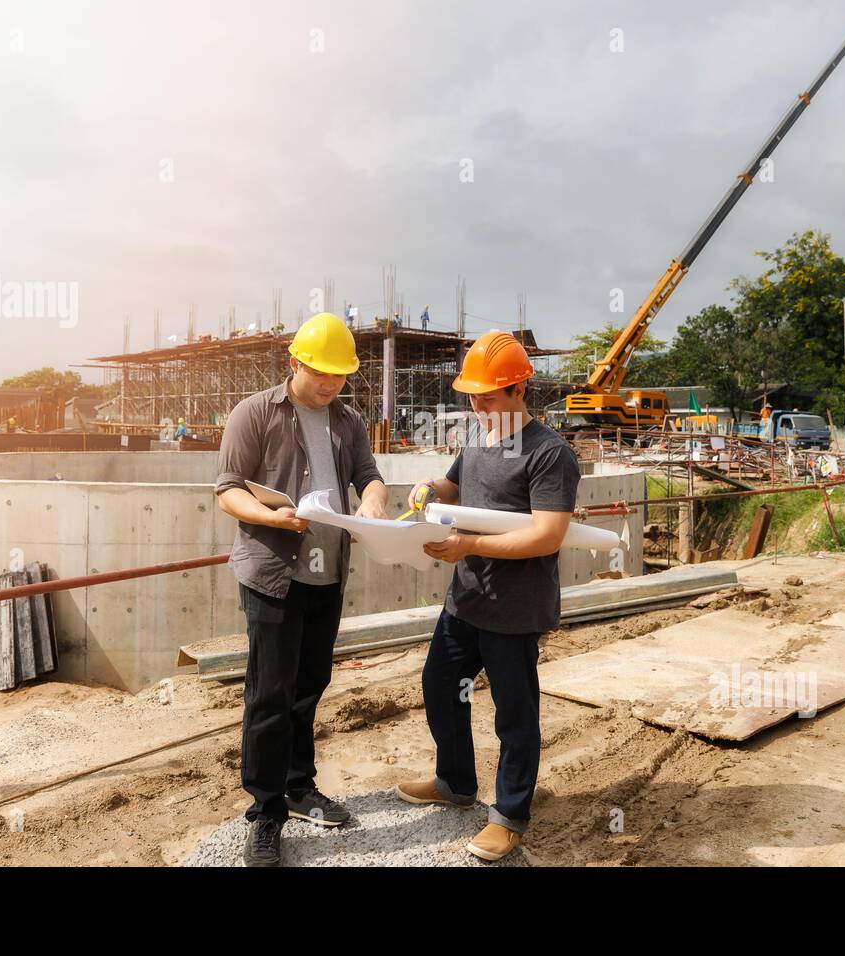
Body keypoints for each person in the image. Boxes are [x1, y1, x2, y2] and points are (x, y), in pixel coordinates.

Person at [395, 331, 580, 862]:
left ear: (520, 389)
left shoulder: (550, 454)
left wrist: (469, 544)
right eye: (471, 396)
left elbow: (547, 534)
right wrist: (431, 486)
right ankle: (455, 783)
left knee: (514, 715)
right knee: (438, 686)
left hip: (514, 610)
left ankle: (509, 816)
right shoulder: (477, 438)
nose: (477, 405)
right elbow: (459, 487)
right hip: (466, 601)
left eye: (489, 396)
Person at [214, 312, 389, 867]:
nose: (331, 384)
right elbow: (227, 491)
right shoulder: (254, 414)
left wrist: (373, 502)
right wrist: (273, 519)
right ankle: (265, 813)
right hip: (274, 573)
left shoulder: (348, 420)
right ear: (295, 364)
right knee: (269, 692)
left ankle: (298, 784)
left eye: (340, 376)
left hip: (327, 573)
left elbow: (369, 474)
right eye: (321, 374)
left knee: (310, 683)